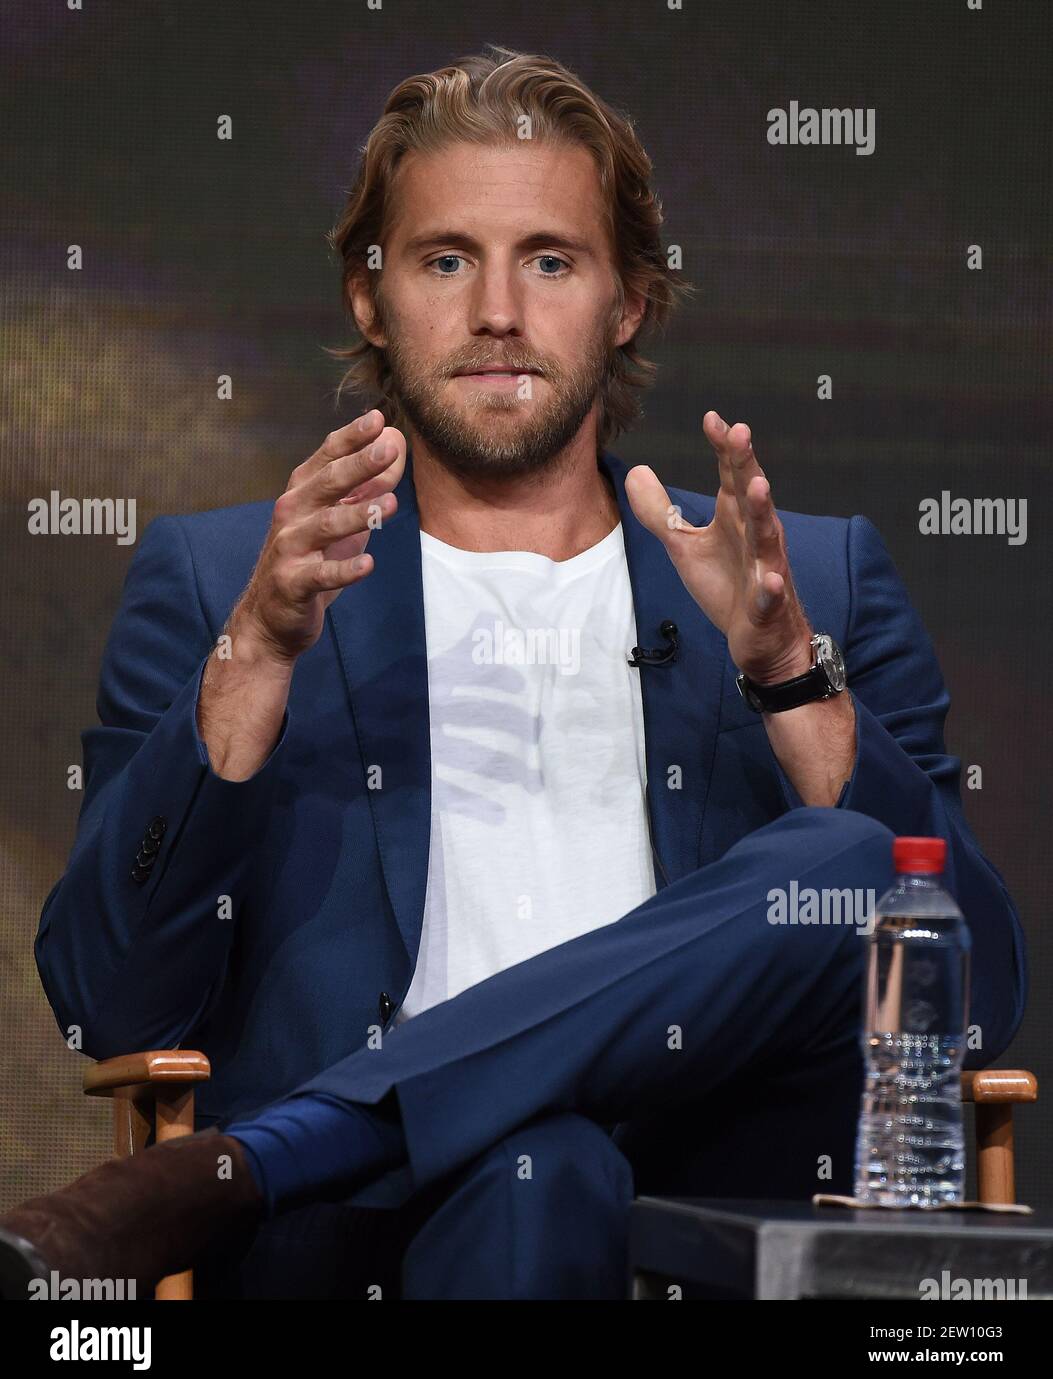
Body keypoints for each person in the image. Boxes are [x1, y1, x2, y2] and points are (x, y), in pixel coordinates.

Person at [1, 46, 1026, 1300]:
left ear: (630, 298)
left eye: (551, 259)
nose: (499, 310)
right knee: (542, 1164)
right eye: (445, 259)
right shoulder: (228, 584)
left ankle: (255, 1158)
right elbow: (111, 1002)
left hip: (701, 1222)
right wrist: (254, 660)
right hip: (357, 1244)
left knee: (857, 871)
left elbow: (977, 998)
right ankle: (303, 1159)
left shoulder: (807, 581)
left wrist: (788, 686)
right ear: (370, 299)